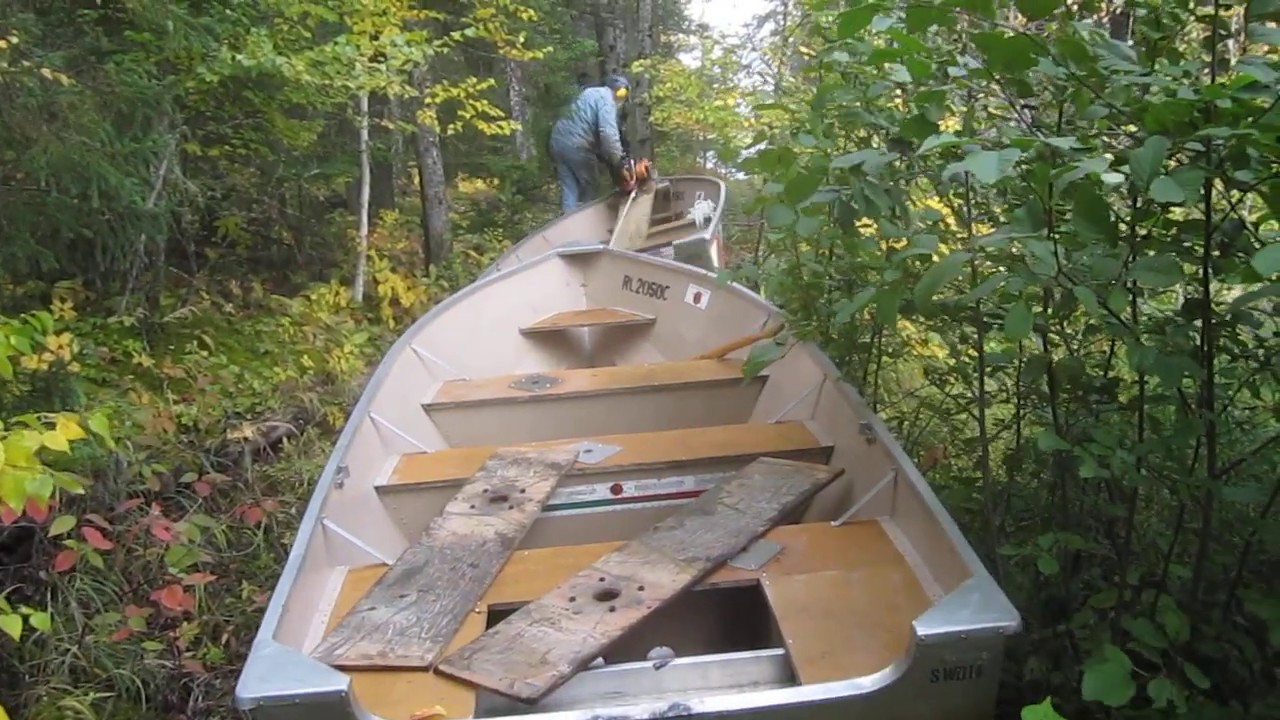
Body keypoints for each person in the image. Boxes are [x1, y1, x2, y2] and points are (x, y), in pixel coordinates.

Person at [548, 74, 632, 212]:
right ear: (621, 92)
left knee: (570, 188)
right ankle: (588, 223)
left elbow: (590, 127)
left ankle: (568, 226)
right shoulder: (607, 100)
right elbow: (608, 134)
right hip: (576, 144)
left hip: (557, 142)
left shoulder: (589, 93)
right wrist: (618, 161)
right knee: (591, 186)